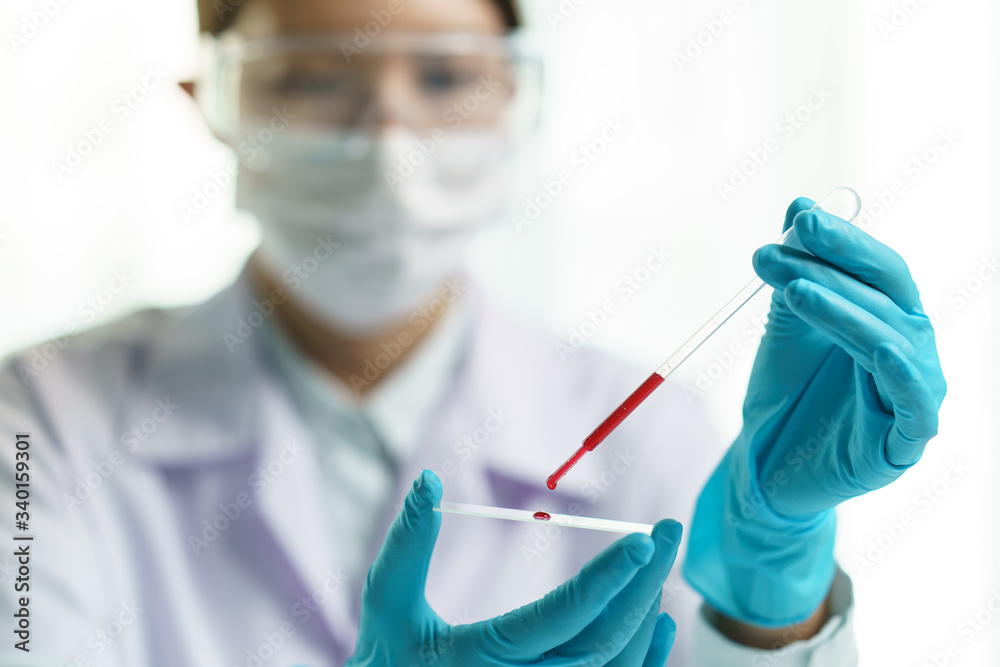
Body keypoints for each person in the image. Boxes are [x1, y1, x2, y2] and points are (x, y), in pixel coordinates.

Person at [0, 0, 946, 665]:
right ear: (211, 101)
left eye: (446, 74)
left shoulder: (654, 434)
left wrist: (770, 592)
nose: (387, 136)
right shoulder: (36, 430)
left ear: (511, 100)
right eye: (312, 79)